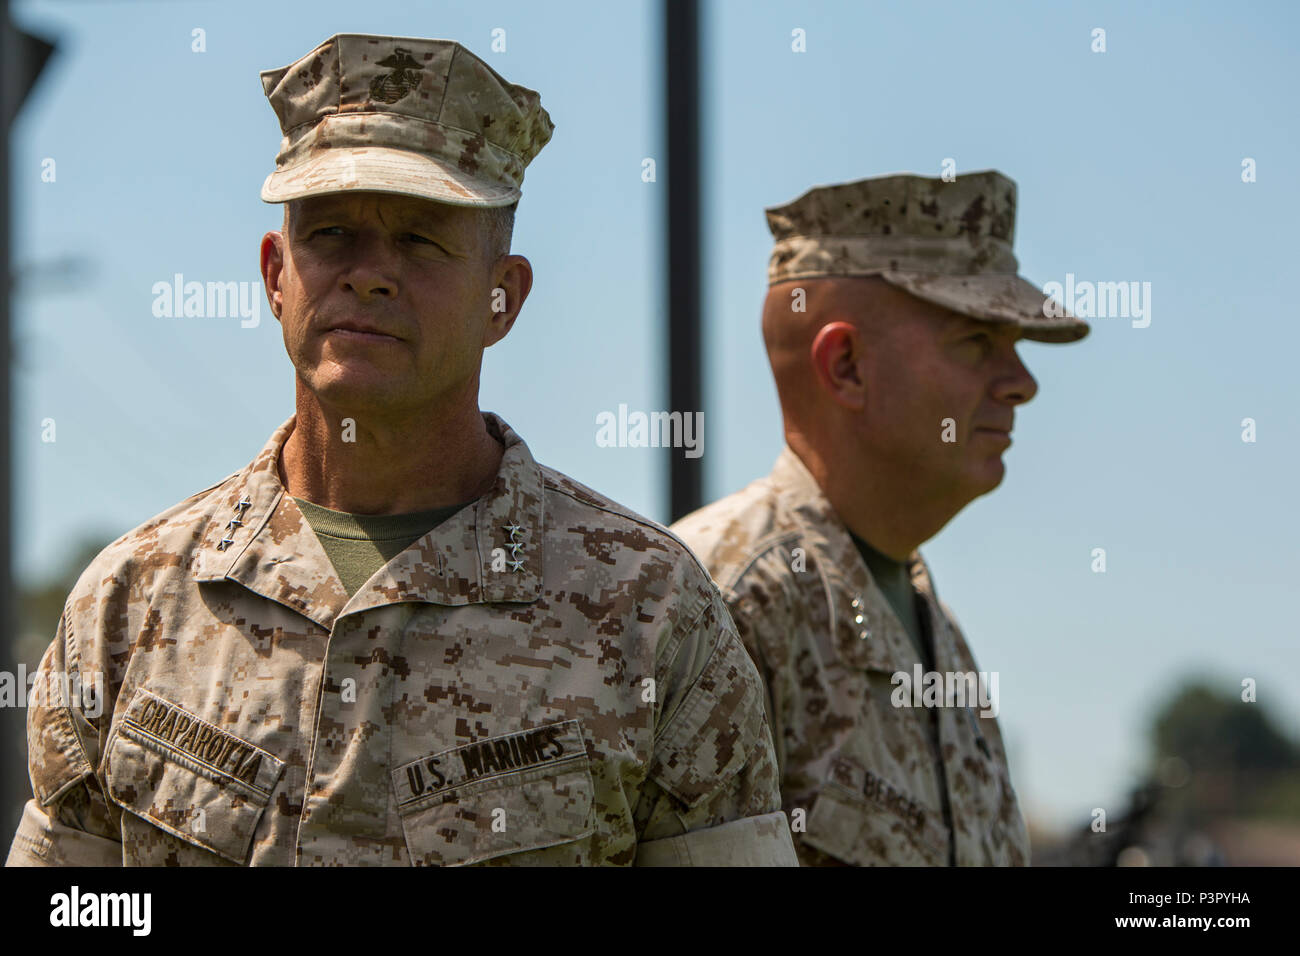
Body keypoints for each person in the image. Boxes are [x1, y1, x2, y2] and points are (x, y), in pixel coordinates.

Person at [6, 33, 795, 867]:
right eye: (333, 234)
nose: (370, 275)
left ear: (505, 296)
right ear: (276, 274)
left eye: (422, 240)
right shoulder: (133, 604)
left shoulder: (649, 610)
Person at [671, 170, 1089, 865]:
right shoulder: (719, 603)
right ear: (846, 367)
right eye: (977, 341)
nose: (1023, 382)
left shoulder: (933, 629)